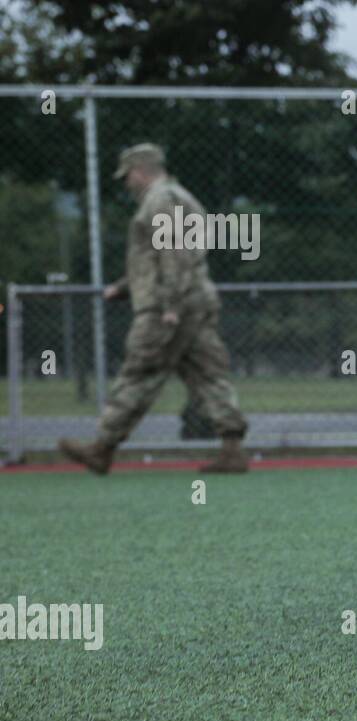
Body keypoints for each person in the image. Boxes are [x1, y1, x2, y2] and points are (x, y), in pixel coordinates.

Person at [58, 143, 250, 475]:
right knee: (209, 374)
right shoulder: (180, 196)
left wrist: (169, 304)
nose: (127, 182)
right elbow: (170, 254)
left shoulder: (159, 199)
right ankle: (232, 446)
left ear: (141, 170)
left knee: (140, 371)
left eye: (128, 174)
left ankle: (102, 446)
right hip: (196, 298)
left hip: (168, 305)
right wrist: (123, 286)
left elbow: (171, 253)